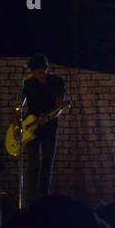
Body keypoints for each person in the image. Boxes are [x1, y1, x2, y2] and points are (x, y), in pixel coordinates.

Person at [18, 54, 67, 203]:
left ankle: (43, 200)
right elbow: (19, 105)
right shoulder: (27, 83)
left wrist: (48, 118)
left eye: (41, 71)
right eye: (35, 71)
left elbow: (59, 107)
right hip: (31, 127)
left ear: (46, 69)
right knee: (32, 165)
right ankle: (30, 201)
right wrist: (16, 122)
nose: (38, 74)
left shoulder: (57, 82)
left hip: (50, 127)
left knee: (47, 164)